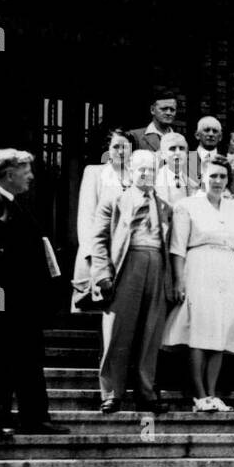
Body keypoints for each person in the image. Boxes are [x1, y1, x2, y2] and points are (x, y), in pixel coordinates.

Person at [0, 148, 67, 439]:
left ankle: (35, 417)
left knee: (31, 357)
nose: (31, 176)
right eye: (26, 171)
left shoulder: (20, 205)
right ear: (10, 174)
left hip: (25, 300)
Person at [89, 149, 175, 414]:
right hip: (127, 265)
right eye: (142, 170)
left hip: (156, 266)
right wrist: (102, 274)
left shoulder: (164, 206)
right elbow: (100, 239)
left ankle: (146, 392)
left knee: (151, 333)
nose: (147, 174)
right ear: (131, 172)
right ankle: (112, 393)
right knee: (118, 331)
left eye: (151, 170)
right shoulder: (115, 200)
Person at [161, 158, 234, 412]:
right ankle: (199, 394)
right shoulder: (187, 205)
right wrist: (178, 280)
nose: (218, 181)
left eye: (222, 177)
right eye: (213, 176)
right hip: (198, 268)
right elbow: (177, 247)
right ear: (202, 178)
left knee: (220, 330)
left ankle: (212, 392)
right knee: (199, 330)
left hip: (227, 269)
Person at [73, 128, 134, 311]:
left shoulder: (137, 177)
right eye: (116, 147)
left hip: (125, 255)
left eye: (125, 147)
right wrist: (92, 255)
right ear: (107, 149)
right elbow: (86, 216)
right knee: (94, 307)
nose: (121, 151)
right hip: (99, 253)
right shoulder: (95, 173)